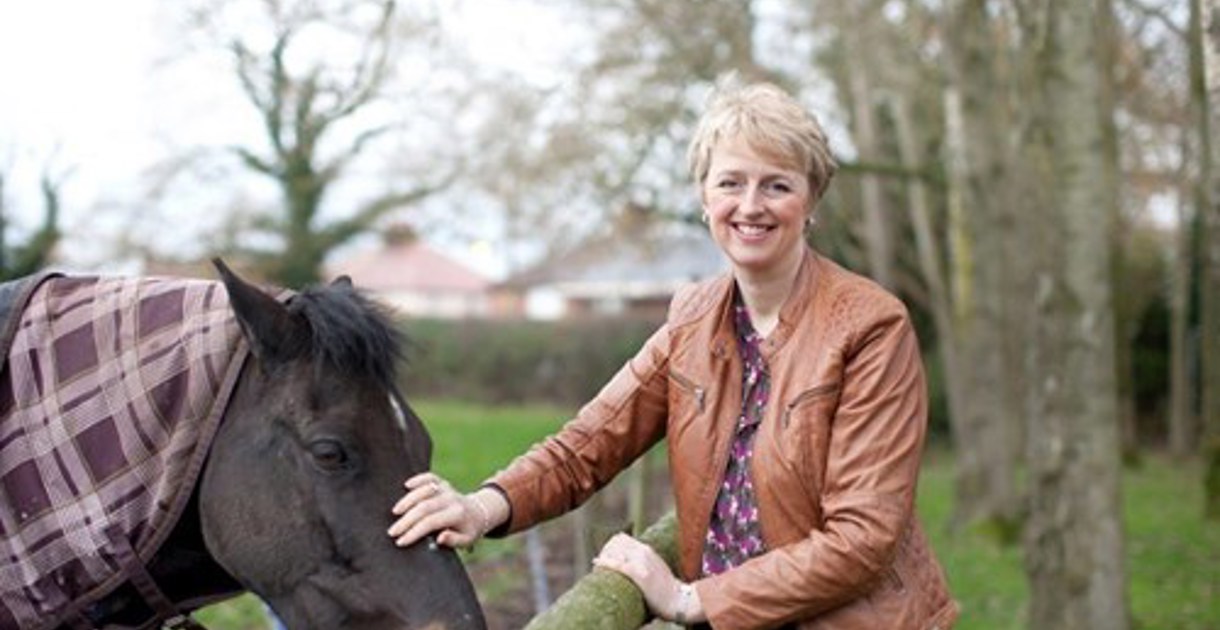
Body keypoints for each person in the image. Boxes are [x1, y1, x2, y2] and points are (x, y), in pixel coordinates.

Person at [388, 78, 958, 629]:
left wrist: (690, 599)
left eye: (777, 185)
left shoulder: (870, 326)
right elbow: (587, 445)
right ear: (704, 198)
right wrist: (480, 508)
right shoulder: (694, 320)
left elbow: (863, 538)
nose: (751, 205)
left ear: (811, 201)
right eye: (731, 183)